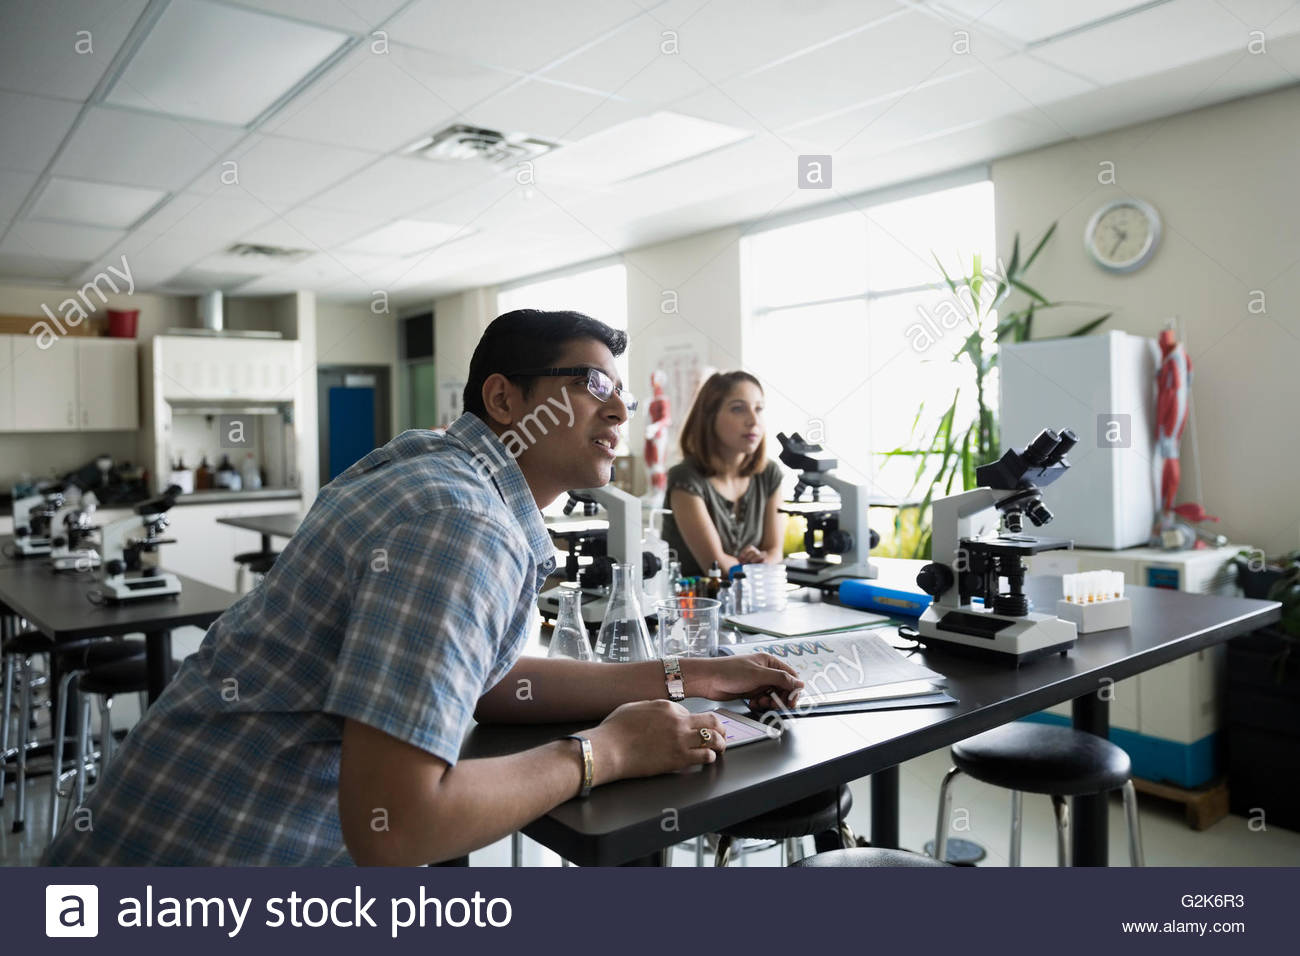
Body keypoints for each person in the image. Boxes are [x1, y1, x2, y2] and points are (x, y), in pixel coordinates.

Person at [43, 310, 801, 866]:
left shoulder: (435, 471)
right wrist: (603, 753)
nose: (617, 408)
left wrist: (693, 673)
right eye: (593, 382)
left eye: (623, 393)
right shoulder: (460, 521)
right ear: (504, 401)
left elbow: (488, 683)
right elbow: (394, 825)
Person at [661, 371, 785, 578]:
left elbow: (774, 552)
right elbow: (717, 566)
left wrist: (763, 559)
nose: (753, 420)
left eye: (759, 409)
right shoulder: (686, 479)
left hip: (751, 603)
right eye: (738, 409)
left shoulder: (769, 473)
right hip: (695, 605)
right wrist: (759, 569)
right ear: (710, 417)